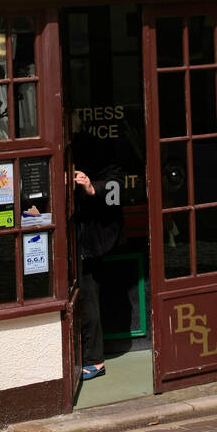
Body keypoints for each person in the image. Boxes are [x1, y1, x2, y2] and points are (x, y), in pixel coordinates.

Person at [71, 132, 126, 381]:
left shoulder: (107, 165)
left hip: (92, 246)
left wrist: (92, 188)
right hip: (76, 243)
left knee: (88, 298)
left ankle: (94, 360)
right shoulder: (75, 161)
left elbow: (114, 190)